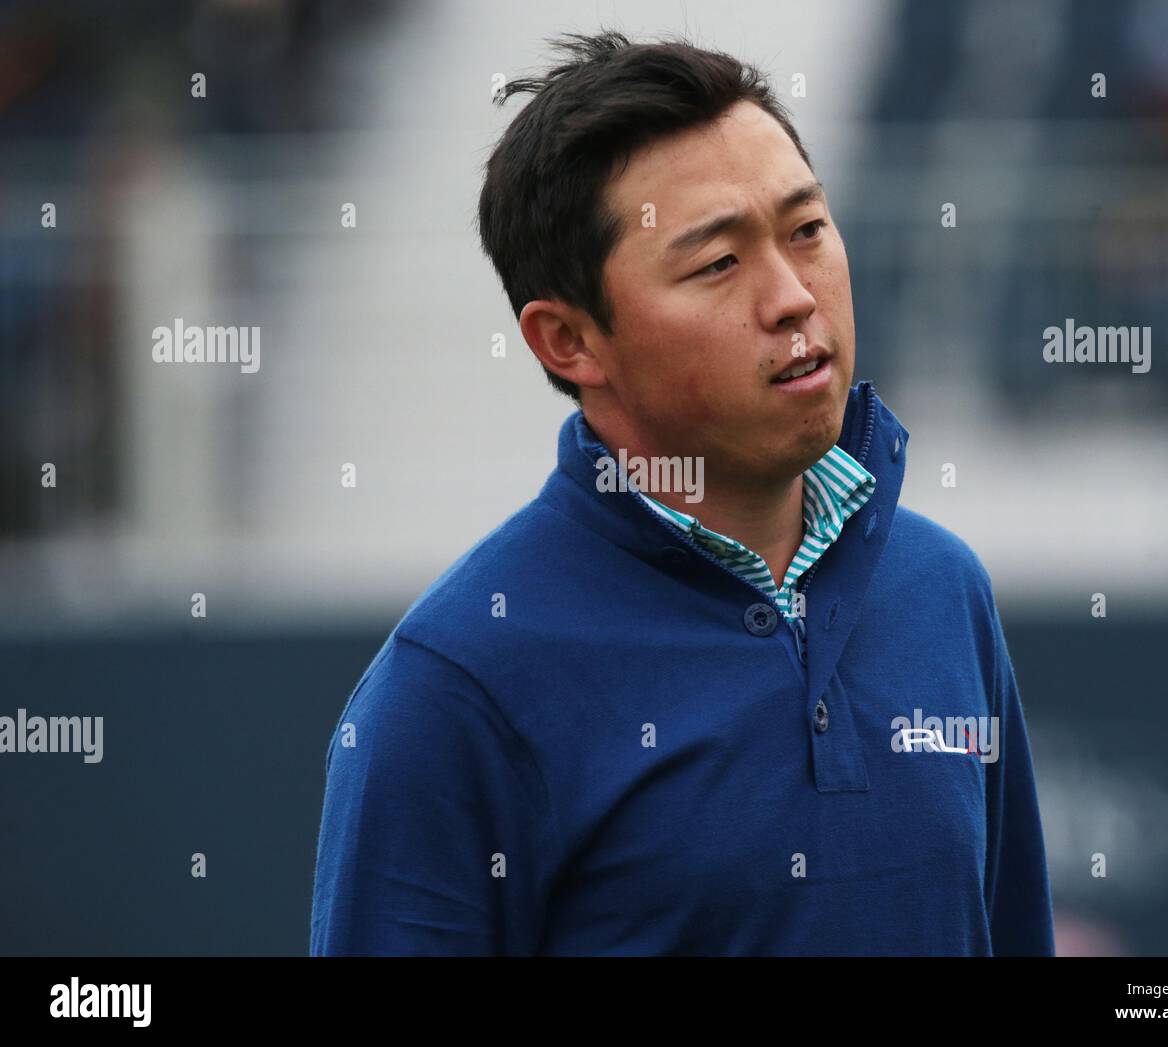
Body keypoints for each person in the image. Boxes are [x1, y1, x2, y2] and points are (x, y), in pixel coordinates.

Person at [309, 29, 1055, 956]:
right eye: (718, 264)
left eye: (807, 230)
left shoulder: (942, 588)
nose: (793, 297)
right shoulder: (455, 688)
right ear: (569, 341)